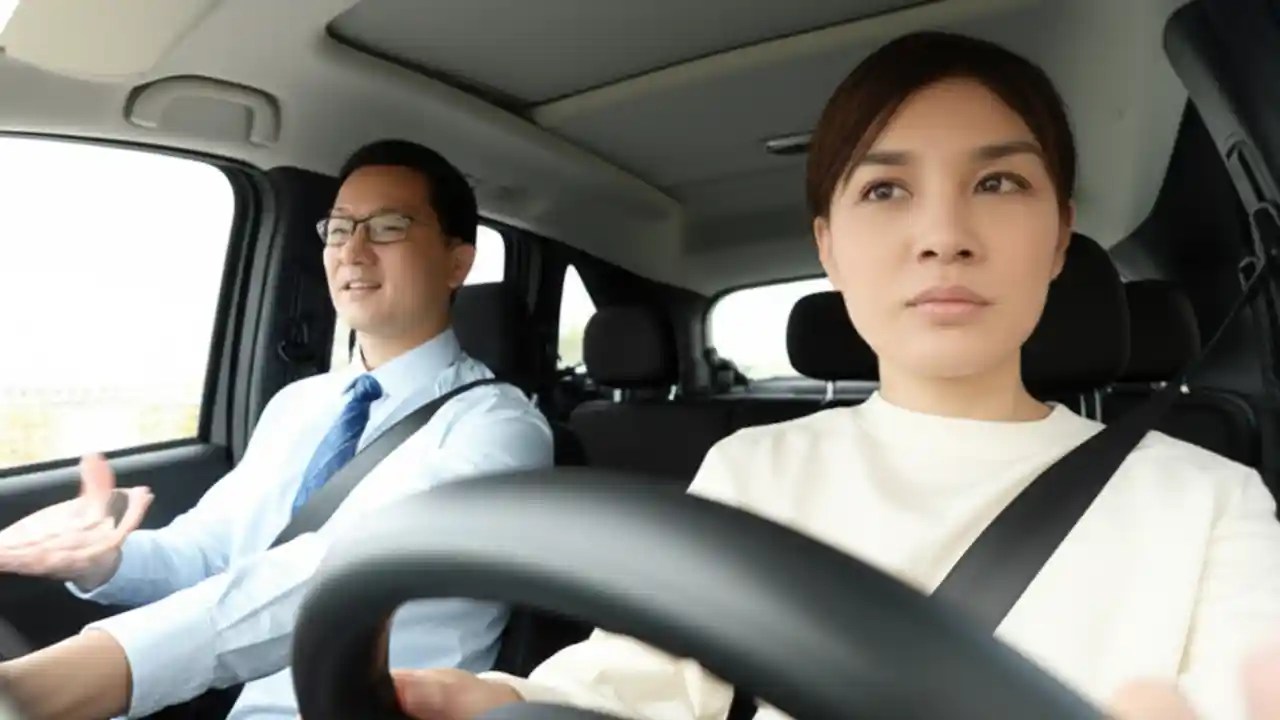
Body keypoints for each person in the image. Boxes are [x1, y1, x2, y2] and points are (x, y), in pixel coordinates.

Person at [367, 32, 1280, 720]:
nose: (943, 235)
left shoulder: (1209, 499)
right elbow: (631, 687)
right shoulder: (756, 471)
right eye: (886, 190)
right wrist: (502, 702)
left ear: (1058, 239)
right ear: (830, 249)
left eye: (998, 183)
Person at [0, 140, 555, 719]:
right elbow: (208, 551)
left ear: (457, 262)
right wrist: (101, 561)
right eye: (339, 229)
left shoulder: (499, 429)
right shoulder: (298, 405)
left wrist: (65, 679)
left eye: (388, 227)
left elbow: (340, 575)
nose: (353, 251)